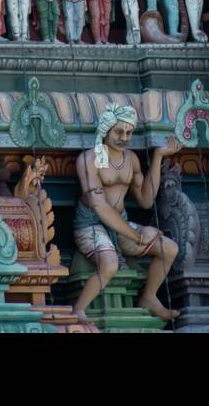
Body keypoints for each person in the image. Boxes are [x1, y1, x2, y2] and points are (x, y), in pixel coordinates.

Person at [71, 104, 182, 324]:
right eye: (118, 132)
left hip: (120, 223)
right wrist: (137, 236)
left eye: (129, 133)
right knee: (109, 264)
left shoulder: (130, 159)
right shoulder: (89, 159)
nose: (124, 137)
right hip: (90, 225)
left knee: (169, 248)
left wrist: (158, 157)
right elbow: (99, 207)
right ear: (106, 130)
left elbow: (146, 199)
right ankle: (78, 310)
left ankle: (149, 297)